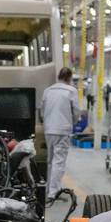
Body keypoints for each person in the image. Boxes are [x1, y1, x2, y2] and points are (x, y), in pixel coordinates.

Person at [41, 67, 82, 200]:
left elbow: (42, 110)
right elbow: (76, 112)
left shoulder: (48, 91)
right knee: (59, 161)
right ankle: (54, 192)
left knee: (50, 160)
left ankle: (48, 189)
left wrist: (46, 122)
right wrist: (73, 122)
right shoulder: (71, 91)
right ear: (69, 78)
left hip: (49, 129)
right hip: (62, 130)